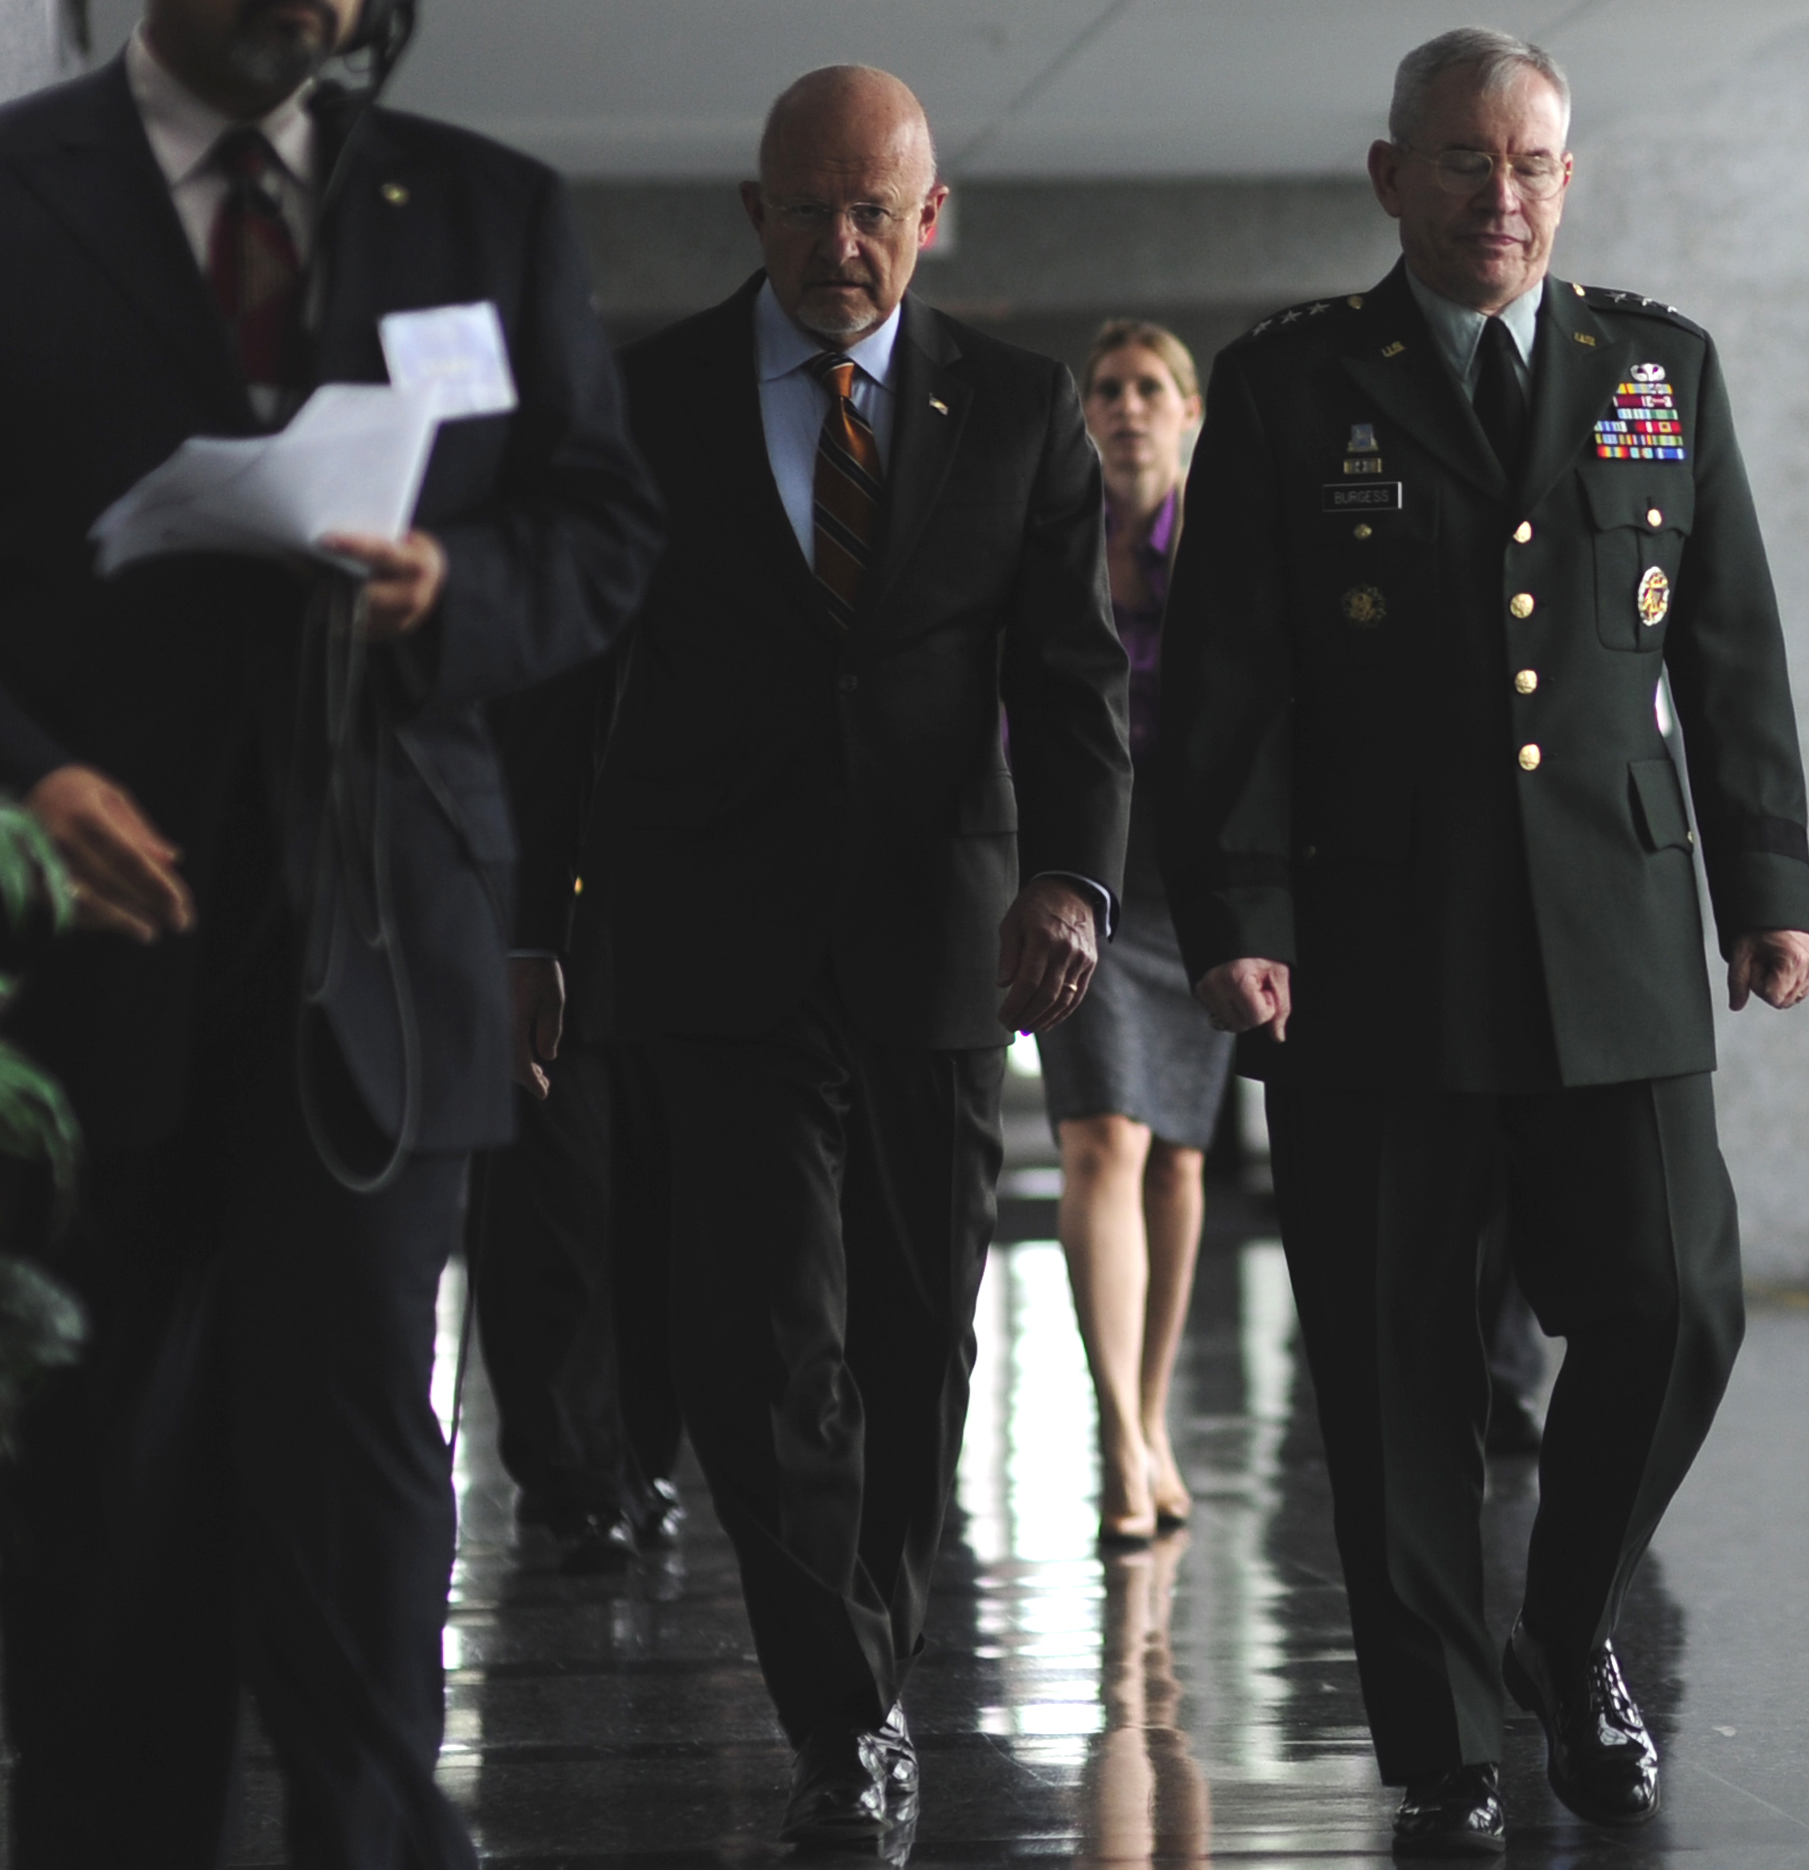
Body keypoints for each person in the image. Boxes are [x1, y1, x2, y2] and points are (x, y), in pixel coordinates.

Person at [0, 0, 661, 1858]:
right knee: (103, 1499)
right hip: (84, 945)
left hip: (380, 948)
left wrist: (457, 594)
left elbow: (599, 527)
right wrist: (27, 783)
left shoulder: (480, 210)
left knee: (358, 1464)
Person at [1157, 28, 1809, 1854]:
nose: (1499, 196)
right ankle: (1442, 1734)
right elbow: (1227, 686)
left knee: (1680, 1302)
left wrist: (1766, 892)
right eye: (1460, 163)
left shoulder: (1654, 366)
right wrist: (1236, 920)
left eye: (1529, 163)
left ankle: (1562, 1630)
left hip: (1613, 926)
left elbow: (1731, 649)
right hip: (1370, 942)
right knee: (1393, 1373)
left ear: (1567, 177)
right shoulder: (1292, 388)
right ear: (1390, 177)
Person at [578, 65, 1131, 1852]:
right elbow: (567, 686)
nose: (837, 244)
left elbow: (1069, 682)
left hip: (938, 947)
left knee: (918, 1337)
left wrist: (1069, 881)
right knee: (757, 1340)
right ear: (754, 212)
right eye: (805, 208)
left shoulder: (1021, 408)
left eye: (871, 212)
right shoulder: (646, 400)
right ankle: (838, 1706)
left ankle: (864, 1658)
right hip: (709, 943)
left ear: (928, 217)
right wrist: (531, 926)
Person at [1041, 319, 1232, 1546]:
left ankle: (1154, 1412)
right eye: (1106, 389)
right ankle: (1119, 1435)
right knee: (1102, 1136)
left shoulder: (1221, 550)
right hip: (1076, 865)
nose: (1127, 408)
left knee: (1176, 1158)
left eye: (1151, 388)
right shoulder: (1050, 540)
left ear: (1191, 412)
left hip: (1194, 873)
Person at [468, 662, 686, 1574]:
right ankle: (574, 1473)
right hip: (552, 906)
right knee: (553, 1202)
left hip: (671, 909)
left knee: (655, 1204)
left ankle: (634, 1456)